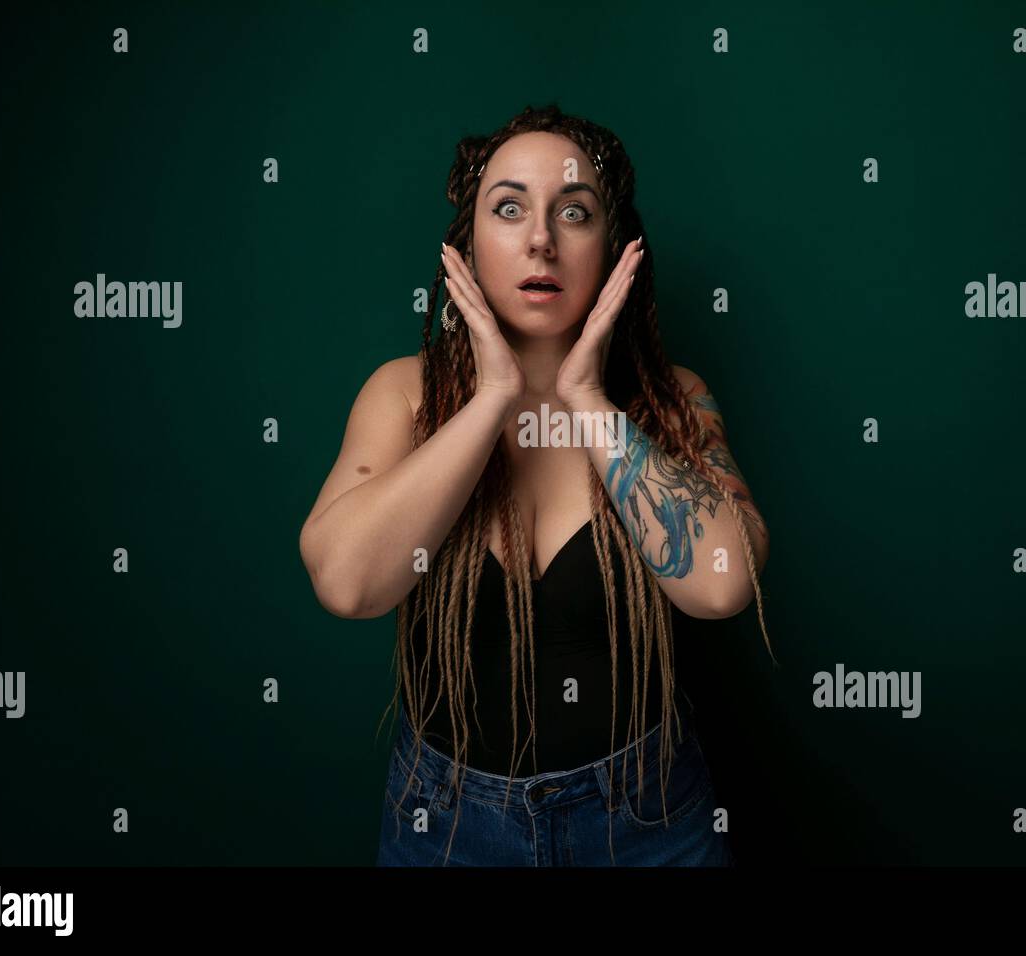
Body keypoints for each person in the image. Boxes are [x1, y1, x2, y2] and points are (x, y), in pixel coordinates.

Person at [299, 104, 774, 866]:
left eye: (575, 212)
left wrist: (587, 397)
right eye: (510, 207)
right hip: (447, 829)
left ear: (615, 248)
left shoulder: (673, 400)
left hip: (649, 823)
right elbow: (347, 584)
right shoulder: (404, 396)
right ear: (469, 244)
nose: (541, 239)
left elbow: (720, 587)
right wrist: (491, 398)